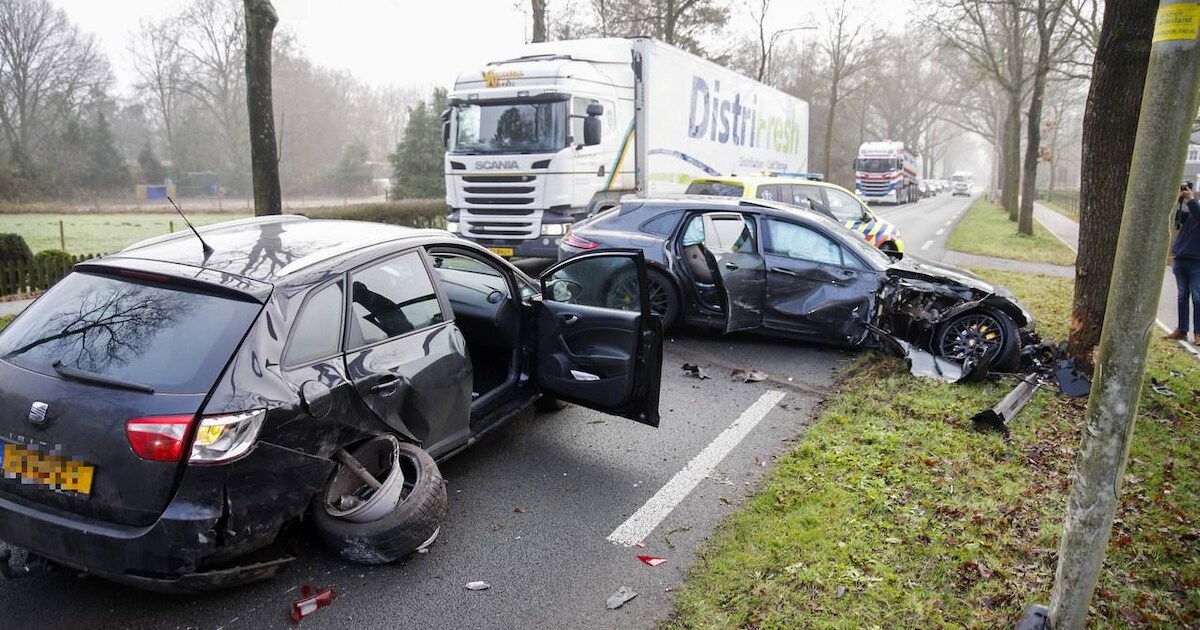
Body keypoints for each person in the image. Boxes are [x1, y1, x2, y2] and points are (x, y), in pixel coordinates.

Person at [1166, 184, 1200, 343]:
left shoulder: (1197, 211)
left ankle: (1198, 332)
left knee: (1198, 297)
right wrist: (1176, 198)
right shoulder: (1193, 213)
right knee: (1182, 296)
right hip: (1181, 259)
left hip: (1197, 263)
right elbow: (1175, 216)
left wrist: (1191, 200)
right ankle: (1182, 329)